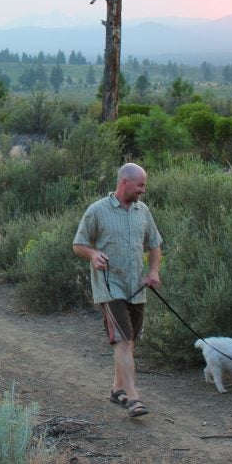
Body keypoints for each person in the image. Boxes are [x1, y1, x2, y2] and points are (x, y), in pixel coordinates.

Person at [72, 163, 162, 418]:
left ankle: (117, 389)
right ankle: (133, 398)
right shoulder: (97, 211)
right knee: (122, 341)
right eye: (140, 185)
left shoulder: (142, 211)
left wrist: (153, 272)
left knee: (129, 340)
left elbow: (154, 245)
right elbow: (78, 244)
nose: (143, 190)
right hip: (110, 289)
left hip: (137, 288)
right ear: (125, 182)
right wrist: (93, 254)